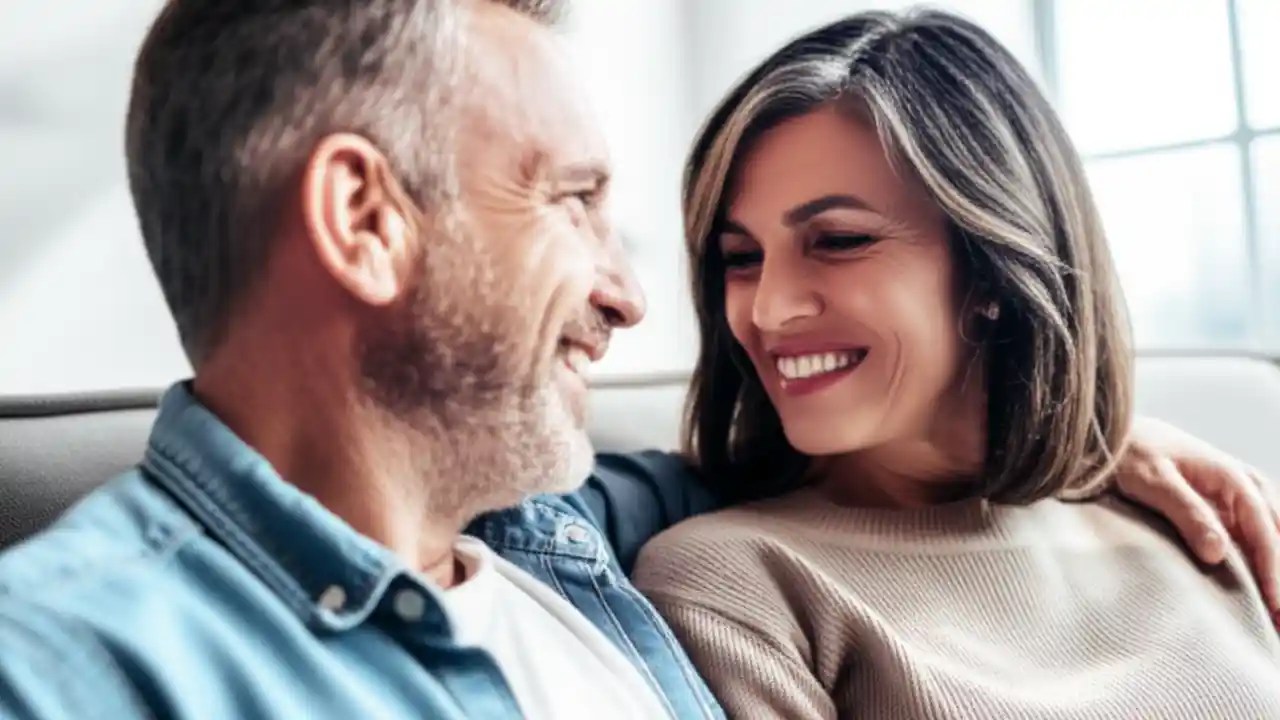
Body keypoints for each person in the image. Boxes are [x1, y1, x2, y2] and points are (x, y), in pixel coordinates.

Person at [0, 2, 1273, 719]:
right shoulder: (65, 669)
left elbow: (883, 473)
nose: (630, 299)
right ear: (365, 222)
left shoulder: (563, 534)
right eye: (571, 201)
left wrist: (1082, 436)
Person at [631, 10, 1280, 720]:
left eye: (839, 240)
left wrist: (1103, 447)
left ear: (994, 271)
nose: (769, 309)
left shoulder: (1198, 519)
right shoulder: (733, 583)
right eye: (741, 258)